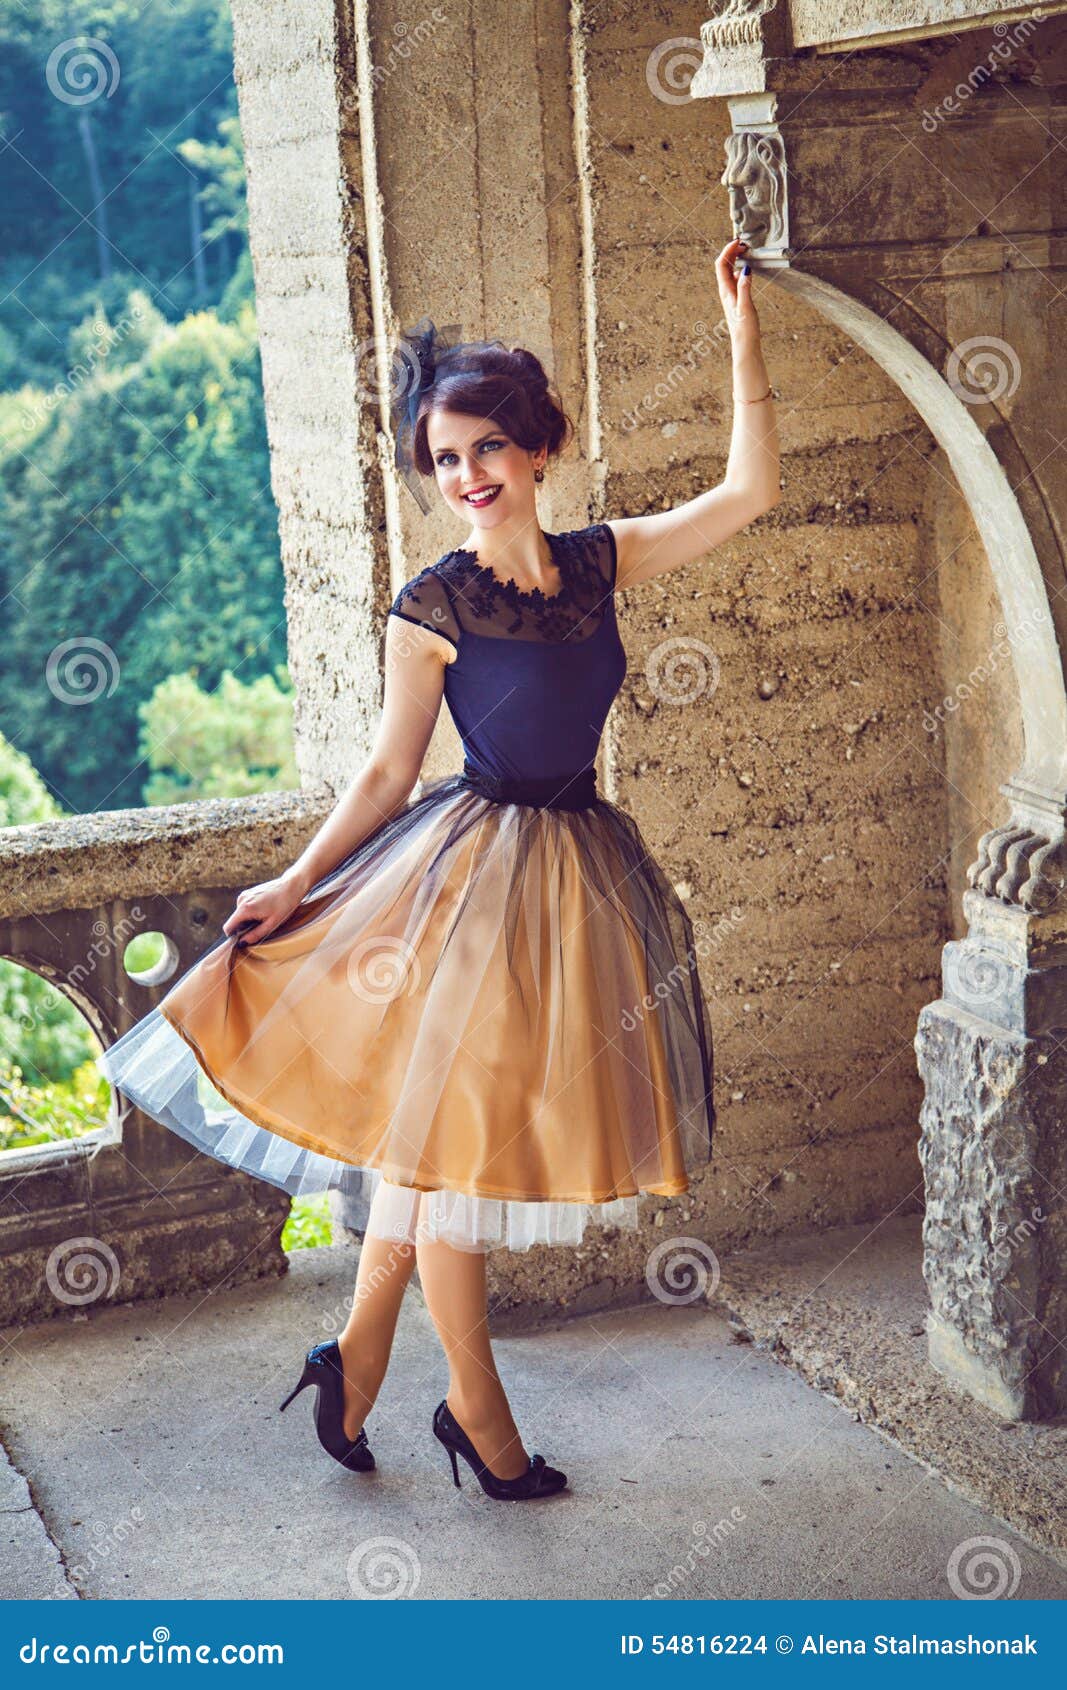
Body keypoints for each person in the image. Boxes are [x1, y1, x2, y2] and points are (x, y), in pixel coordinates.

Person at [99, 236, 779, 1502]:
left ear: (537, 448)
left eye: (485, 447)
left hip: (578, 874)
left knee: (432, 1151)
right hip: (467, 886)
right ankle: (480, 1416)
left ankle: (354, 1358)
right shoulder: (432, 604)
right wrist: (295, 884)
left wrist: (740, 329)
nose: (465, 475)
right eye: (443, 459)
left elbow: (747, 492)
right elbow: (383, 775)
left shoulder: (598, 563)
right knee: (451, 1158)